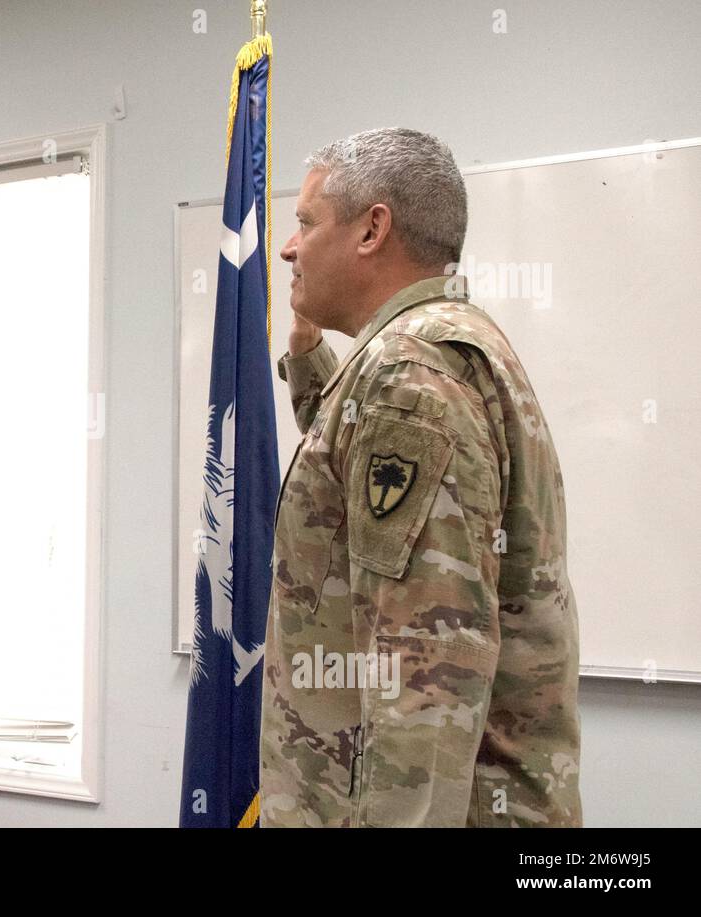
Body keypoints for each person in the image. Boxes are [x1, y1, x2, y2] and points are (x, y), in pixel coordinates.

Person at [258, 127, 581, 827]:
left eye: (306, 223)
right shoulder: (433, 351)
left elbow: (423, 676)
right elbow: (354, 491)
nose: (288, 248)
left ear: (372, 230)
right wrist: (308, 349)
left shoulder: (408, 379)